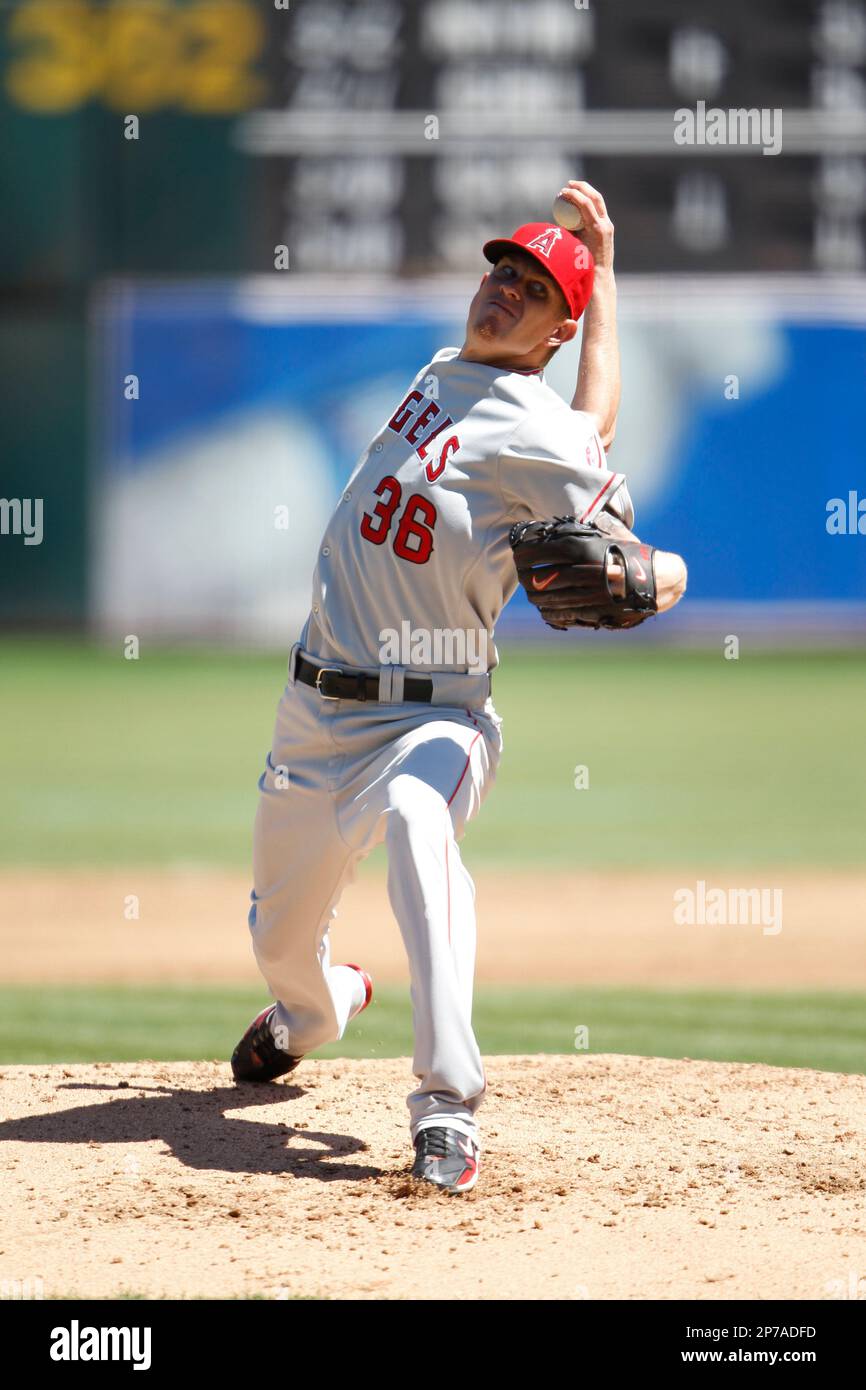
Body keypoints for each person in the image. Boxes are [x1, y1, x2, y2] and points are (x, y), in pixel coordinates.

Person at [230, 182, 687, 1194]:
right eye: (501, 271)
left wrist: (666, 575)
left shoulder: (530, 421)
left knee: (412, 819)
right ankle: (316, 1011)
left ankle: (446, 1108)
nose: (502, 292)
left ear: (555, 330)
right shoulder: (444, 372)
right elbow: (591, 426)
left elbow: (615, 504)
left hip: (431, 714)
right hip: (311, 714)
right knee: (277, 943)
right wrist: (592, 273)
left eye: (531, 290)